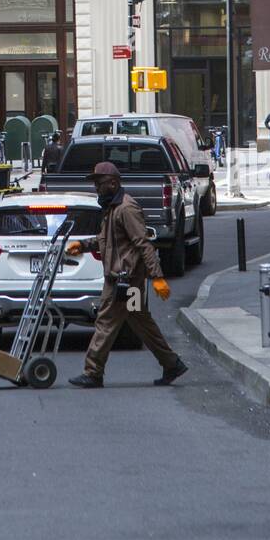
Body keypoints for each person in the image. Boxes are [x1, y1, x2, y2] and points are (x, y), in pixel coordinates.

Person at [67, 162, 187, 388]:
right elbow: (107, 241)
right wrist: (82, 245)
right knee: (140, 321)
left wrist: (157, 277)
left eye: (99, 184)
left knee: (105, 323)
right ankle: (172, 363)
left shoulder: (126, 209)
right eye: (95, 184)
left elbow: (143, 244)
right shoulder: (112, 208)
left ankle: (93, 373)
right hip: (125, 281)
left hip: (124, 281)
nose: (97, 188)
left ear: (113, 183)